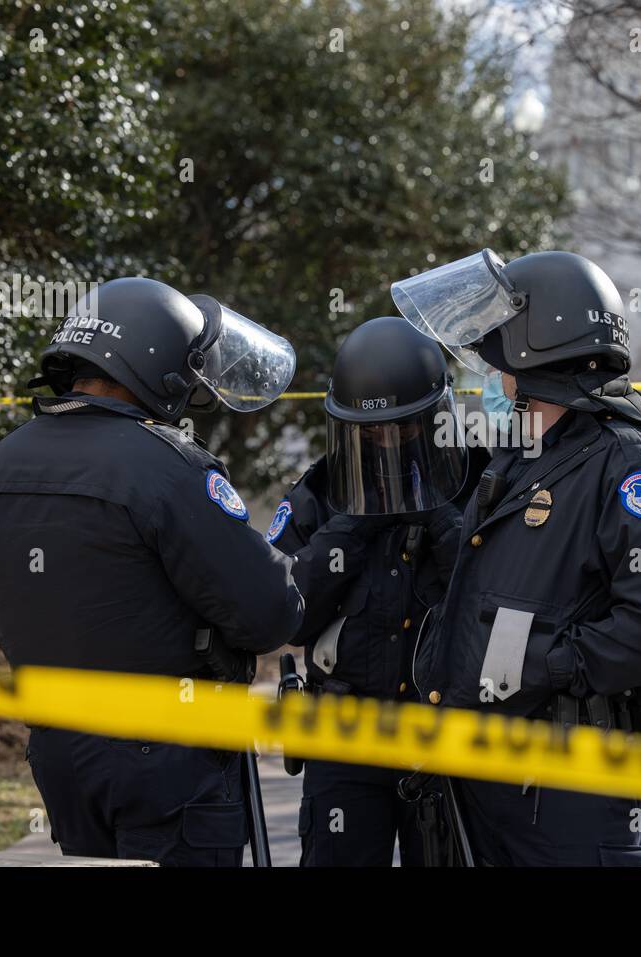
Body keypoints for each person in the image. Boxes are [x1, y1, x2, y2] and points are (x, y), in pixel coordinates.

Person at [0, 276, 303, 866]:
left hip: (61, 750)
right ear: (157, 368)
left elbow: (1, 616)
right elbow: (270, 615)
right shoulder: (169, 470)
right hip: (166, 753)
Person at [391, 249, 641, 866]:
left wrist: (550, 663)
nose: (489, 368)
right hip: (501, 780)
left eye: (496, 348)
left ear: (539, 344)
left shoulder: (626, 461)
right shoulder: (525, 456)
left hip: (573, 790)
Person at [268, 315, 485, 866]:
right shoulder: (317, 494)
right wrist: (352, 522)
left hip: (444, 735)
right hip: (345, 736)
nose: (387, 444)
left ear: (435, 420)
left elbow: (497, 604)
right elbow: (282, 614)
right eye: (371, 432)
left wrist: (442, 521)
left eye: (404, 430)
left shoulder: (482, 487)